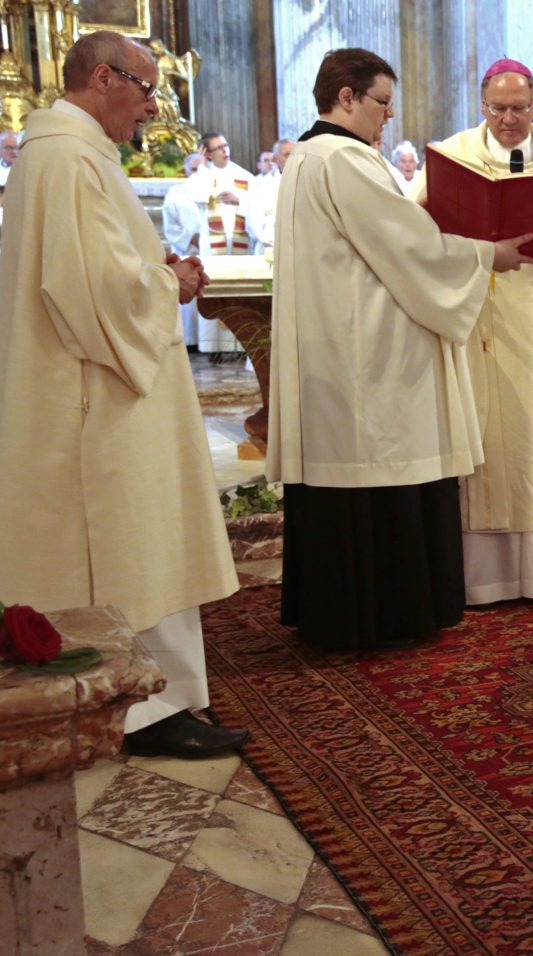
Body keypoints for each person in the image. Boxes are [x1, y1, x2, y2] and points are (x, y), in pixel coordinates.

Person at [0, 31, 247, 758]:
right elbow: (89, 290)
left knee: (148, 542)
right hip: (98, 398)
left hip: (101, 387)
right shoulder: (68, 158)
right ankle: (141, 708)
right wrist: (168, 282)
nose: (152, 107)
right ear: (103, 77)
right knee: (129, 548)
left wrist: (153, 266)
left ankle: (167, 698)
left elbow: (95, 264)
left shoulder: (68, 155)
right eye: (145, 88)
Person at [268, 49, 533, 650]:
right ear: (346, 97)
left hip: (339, 351)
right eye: (382, 102)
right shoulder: (343, 159)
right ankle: (388, 614)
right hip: (368, 359)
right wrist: (488, 253)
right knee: (379, 469)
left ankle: (338, 612)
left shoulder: (306, 159)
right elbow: (406, 246)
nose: (388, 116)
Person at [413, 57, 533, 605]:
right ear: (482, 105)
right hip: (474, 321)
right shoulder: (450, 157)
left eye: (519, 108)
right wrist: (470, 248)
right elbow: (413, 230)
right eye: (498, 108)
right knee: (485, 442)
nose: (508, 119)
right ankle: (483, 579)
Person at [162, 150, 208, 347]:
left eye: (202, 169)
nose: (198, 173)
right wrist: (192, 239)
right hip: (186, 251)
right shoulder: (176, 193)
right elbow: (170, 228)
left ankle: (208, 341)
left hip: (209, 251)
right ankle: (189, 340)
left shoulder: (214, 190)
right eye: (194, 169)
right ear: (186, 170)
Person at [245, 138, 294, 254]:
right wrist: (273, 241)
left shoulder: (309, 180)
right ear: (276, 159)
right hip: (271, 248)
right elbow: (253, 220)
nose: (293, 159)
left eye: (295, 154)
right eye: (287, 155)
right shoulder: (261, 185)